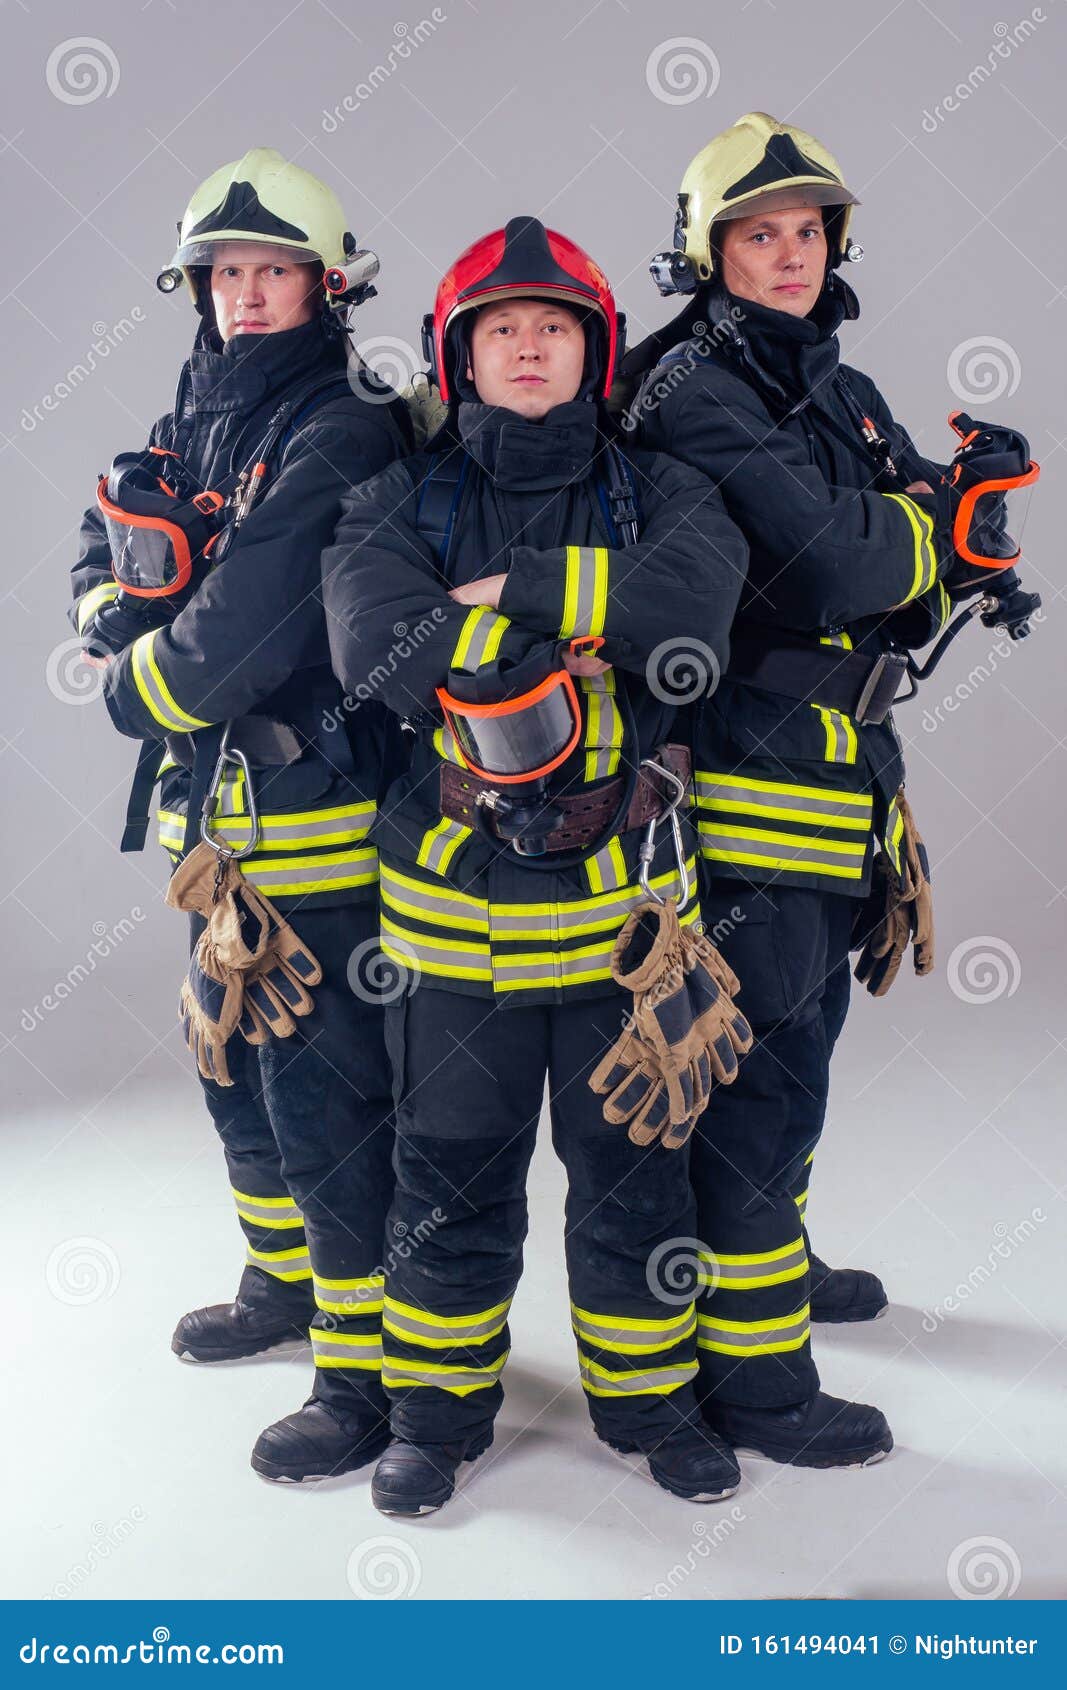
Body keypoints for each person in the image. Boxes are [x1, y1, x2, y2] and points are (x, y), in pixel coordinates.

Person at [322, 216, 750, 1515]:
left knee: (638, 1181)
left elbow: (693, 606)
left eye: (552, 326)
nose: (526, 345)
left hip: (628, 926)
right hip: (459, 931)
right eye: (500, 327)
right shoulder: (399, 497)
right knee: (444, 1187)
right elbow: (372, 640)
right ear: (460, 355)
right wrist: (585, 607)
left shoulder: (662, 489)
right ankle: (436, 1420)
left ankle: (651, 1405)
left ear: (592, 351)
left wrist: (516, 591)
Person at [627, 112, 1022, 1469]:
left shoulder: (828, 385)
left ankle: (764, 1266)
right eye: (758, 233)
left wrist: (956, 516)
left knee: (800, 1057)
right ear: (707, 250)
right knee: (757, 1079)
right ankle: (758, 1382)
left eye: (807, 230)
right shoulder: (687, 389)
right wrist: (933, 529)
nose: (789, 254)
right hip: (745, 782)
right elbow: (845, 564)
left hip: (838, 777)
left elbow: (894, 530)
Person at [69, 147, 412, 1481]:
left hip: (319, 833)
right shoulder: (199, 411)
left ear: (328, 286)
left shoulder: (342, 426)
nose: (247, 294)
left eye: (274, 272)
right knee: (235, 1085)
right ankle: (283, 1290)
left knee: (327, 1108)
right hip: (218, 845)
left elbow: (238, 635)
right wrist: (110, 596)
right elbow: (106, 531)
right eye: (226, 273)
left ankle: (367, 1374)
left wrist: (127, 679)